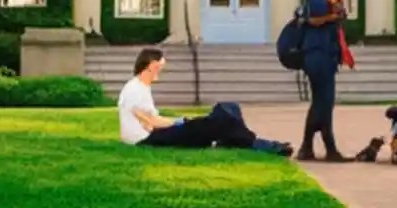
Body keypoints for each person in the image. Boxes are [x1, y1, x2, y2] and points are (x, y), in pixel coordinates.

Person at [117, 48, 292, 155]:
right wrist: (179, 122)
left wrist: (180, 121)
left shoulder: (141, 87)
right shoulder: (134, 89)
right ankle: (263, 145)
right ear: (150, 66)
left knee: (228, 109)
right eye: (159, 68)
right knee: (223, 119)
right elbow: (149, 123)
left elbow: (153, 120)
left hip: (156, 133)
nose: (160, 72)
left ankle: (233, 140)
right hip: (147, 139)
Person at [298, 0, 357, 162]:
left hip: (328, 55)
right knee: (323, 102)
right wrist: (333, 17)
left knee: (323, 102)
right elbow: (312, 20)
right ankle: (313, 147)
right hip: (316, 54)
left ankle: (317, 148)